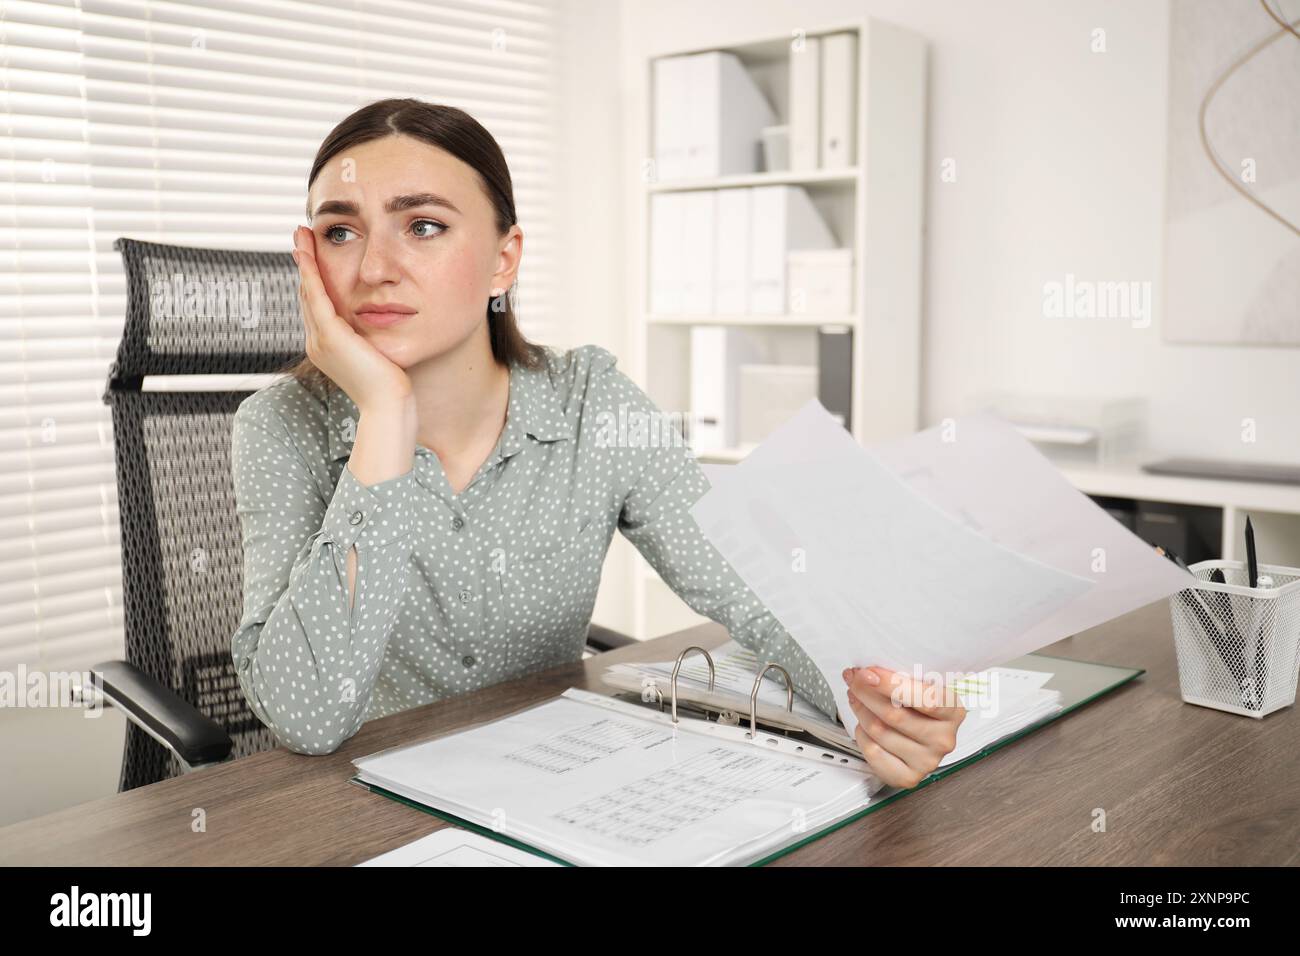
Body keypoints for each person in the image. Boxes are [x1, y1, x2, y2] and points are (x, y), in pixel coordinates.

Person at [230, 97, 966, 787]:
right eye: (339, 231)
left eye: (422, 225)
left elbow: (754, 587)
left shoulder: (592, 404)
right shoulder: (280, 426)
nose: (373, 269)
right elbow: (307, 716)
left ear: (503, 259)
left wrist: (868, 699)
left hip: (545, 787)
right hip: (352, 809)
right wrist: (386, 415)